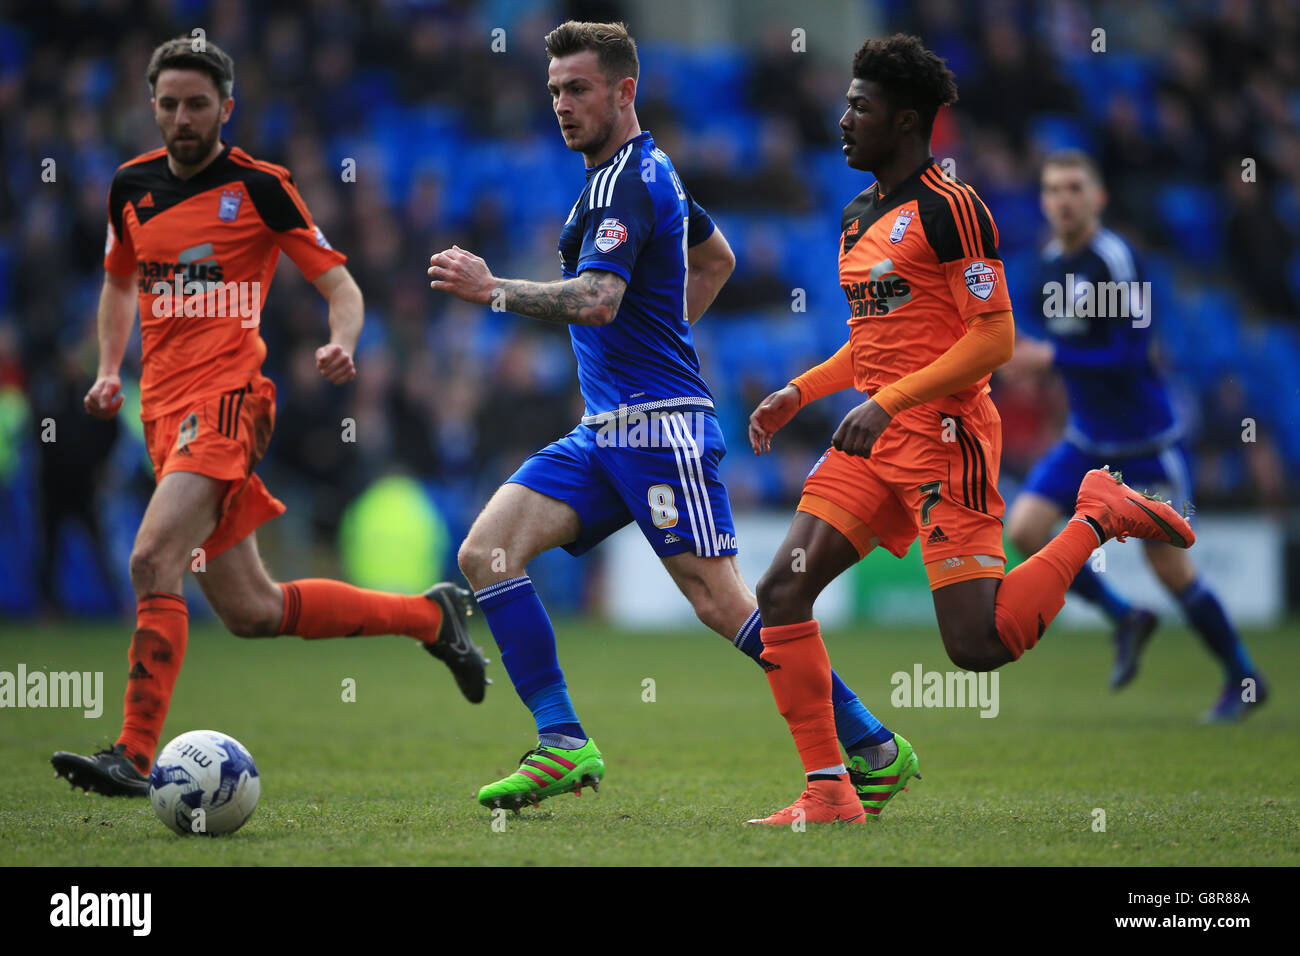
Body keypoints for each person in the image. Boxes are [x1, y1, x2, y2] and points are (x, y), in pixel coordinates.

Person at [429, 21, 906, 817]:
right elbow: (714, 258)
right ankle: (563, 742)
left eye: (577, 88)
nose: (561, 104)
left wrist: (494, 291)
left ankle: (871, 744)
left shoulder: (626, 179)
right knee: (488, 551)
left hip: (657, 428)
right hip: (604, 427)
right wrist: (663, 333)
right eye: (552, 90)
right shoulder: (639, 174)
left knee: (723, 603)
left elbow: (601, 299)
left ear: (624, 91)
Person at [745, 34, 1196, 825]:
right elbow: (874, 340)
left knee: (978, 646)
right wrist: (799, 389)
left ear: (907, 120)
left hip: (943, 438)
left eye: (861, 107)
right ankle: (832, 791)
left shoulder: (953, 208)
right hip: (872, 440)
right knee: (781, 591)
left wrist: (888, 402)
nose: (843, 120)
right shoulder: (857, 217)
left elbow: (994, 339)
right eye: (846, 104)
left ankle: (1096, 514)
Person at [52, 36, 486, 798]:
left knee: (153, 558)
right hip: (163, 412)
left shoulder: (261, 188)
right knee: (251, 610)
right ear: (150, 106)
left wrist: (341, 342)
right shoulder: (129, 187)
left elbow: (342, 285)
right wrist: (107, 369)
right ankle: (432, 618)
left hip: (229, 401)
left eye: (196, 104)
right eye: (167, 104)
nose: (181, 118)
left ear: (226, 106)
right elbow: (120, 282)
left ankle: (133, 752)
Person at [1004, 150, 1266, 722]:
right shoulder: (1047, 264)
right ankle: (1124, 617)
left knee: (1169, 569)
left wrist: (1049, 358)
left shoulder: (1116, 260)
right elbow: (1065, 356)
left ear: (1097, 198)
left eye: (1074, 188)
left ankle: (1244, 677)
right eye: (1052, 190)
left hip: (1145, 443)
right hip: (1085, 439)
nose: (1063, 199)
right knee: (1024, 528)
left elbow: (1130, 354)